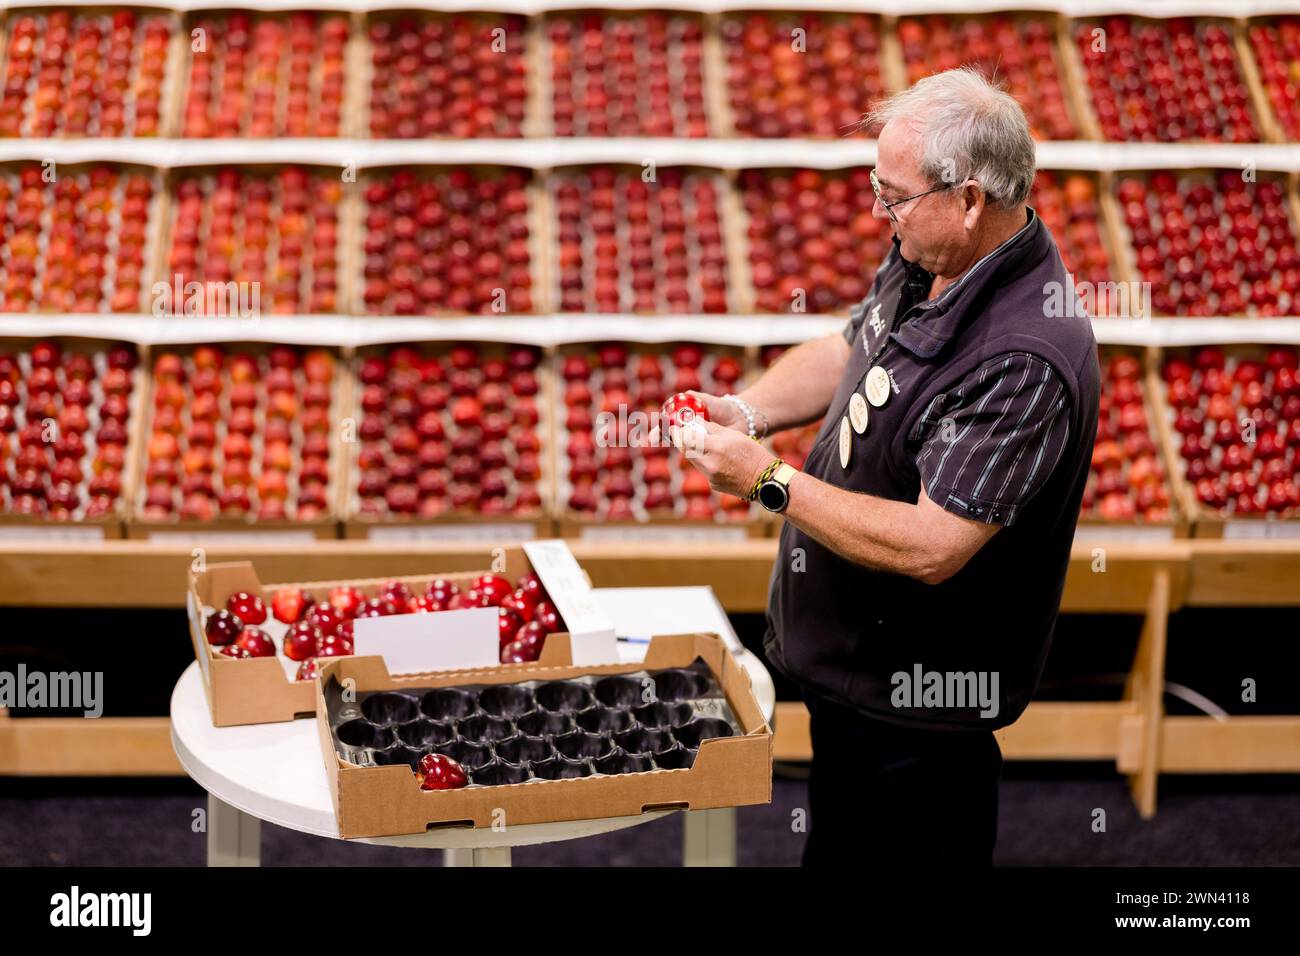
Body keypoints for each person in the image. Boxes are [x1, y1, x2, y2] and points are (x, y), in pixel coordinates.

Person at [669, 68, 1101, 866]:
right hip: (857, 686)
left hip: (922, 711)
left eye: (893, 195)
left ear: (969, 198)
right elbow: (851, 347)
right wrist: (751, 409)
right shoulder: (934, 253)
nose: (880, 212)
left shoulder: (1023, 356)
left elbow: (935, 545)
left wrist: (768, 479)